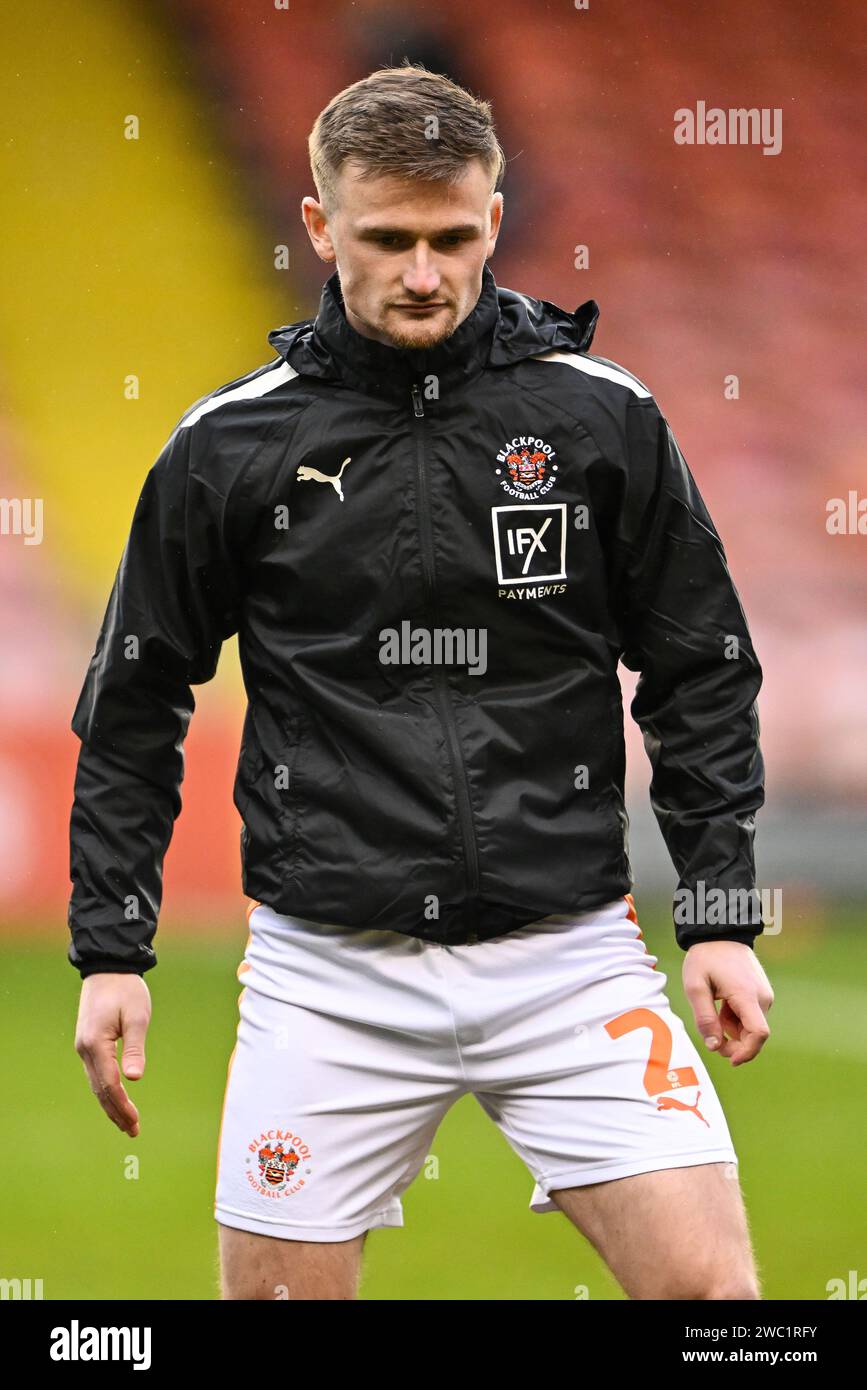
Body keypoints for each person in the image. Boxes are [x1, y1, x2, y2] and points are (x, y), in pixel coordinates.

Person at [69, 61, 773, 1301]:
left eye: (455, 236)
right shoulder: (227, 447)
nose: (426, 273)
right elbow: (135, 700)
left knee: (718, 1307)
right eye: (387, 238)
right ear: (318, 224)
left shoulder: (599, 420)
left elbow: (698, 666)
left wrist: (718, 909)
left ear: (497, 219)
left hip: (569, 959)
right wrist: (113, 949)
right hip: (328, 974)